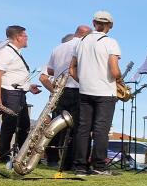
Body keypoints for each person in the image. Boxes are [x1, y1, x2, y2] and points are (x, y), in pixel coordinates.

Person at [70, 11, 122, 175]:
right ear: (110, 26)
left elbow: (72, 69)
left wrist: (84, 81)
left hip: (84, 91)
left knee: (83, 129)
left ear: (94, 23)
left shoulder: (80, 41)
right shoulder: (111, 42)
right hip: (105, 92)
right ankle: (99, 166)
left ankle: (80, 166)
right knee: (101, 130)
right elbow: (114, 71)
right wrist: (120, 80)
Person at [41, 26, 90, 170]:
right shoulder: (83, 46)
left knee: (56, 127)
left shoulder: (58, 48)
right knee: (79, 128)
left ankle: (52, 159)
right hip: (77, 88)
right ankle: (72, 162)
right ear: (85, 35)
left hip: (60, 90)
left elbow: (50, 70)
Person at [0, 25, 42, 164]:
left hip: (19, 93)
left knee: (24, 125)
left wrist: (29, 86)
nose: (27, 39)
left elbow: (14, 75)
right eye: (25, 36)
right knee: (10, 124)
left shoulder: (15, 52)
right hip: (10, 93)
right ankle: (4, 156)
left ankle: (21, 155)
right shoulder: (5, 52)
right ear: (18, 37)